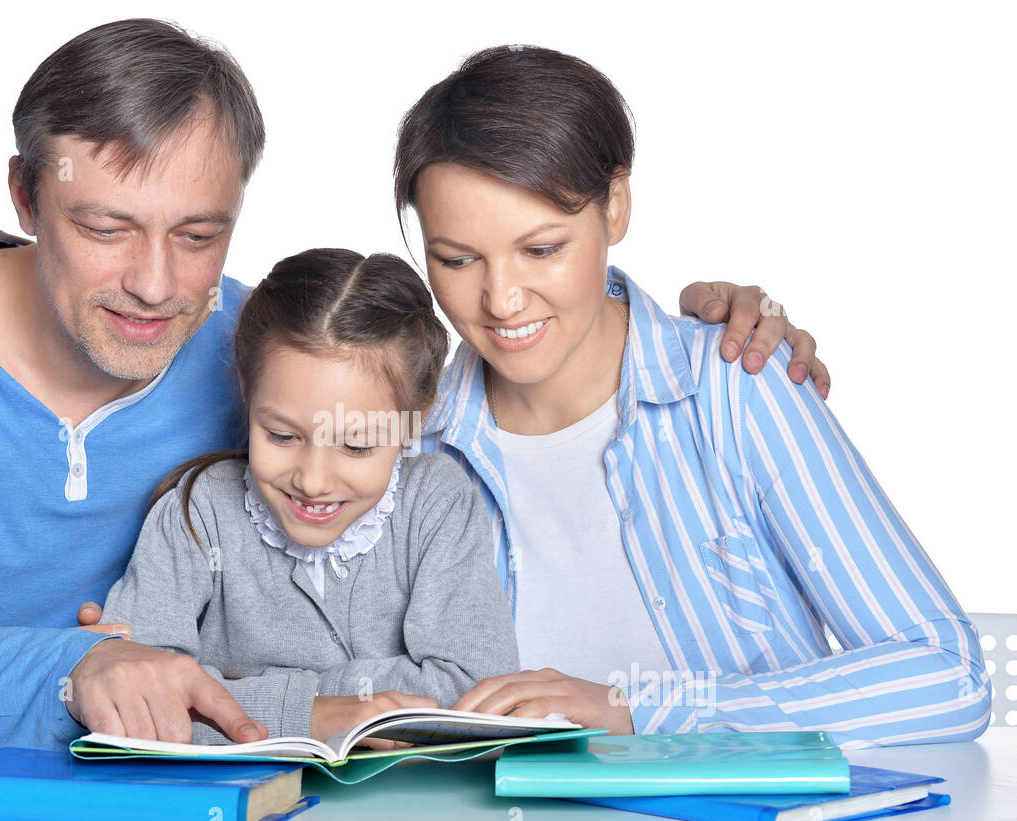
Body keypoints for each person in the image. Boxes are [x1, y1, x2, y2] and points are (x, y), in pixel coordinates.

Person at [0, 18, 828, 759]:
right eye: (105, 227)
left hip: (163, 782)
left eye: (198, 234)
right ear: (23, 192)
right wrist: (100, 668)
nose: (156, 287)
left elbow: (455, 379)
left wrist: (699, 333)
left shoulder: (255, 347)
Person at [393, 45, 991, 748]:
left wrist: (638, 708)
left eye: (543, 248)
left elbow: (947, 678)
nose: (501, 298)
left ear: (615, 206)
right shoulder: (401, 442)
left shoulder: (737, 387)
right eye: (457, 260)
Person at [99, 248, 519, 744]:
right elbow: (137, 702)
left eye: (357, 445)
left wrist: (237, 690)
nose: (314, 481)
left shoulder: (438, 503)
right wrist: (318, 711)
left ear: (416, 418)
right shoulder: (199, 513)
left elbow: (477, 694)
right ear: (246, 392)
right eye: (281, 435)